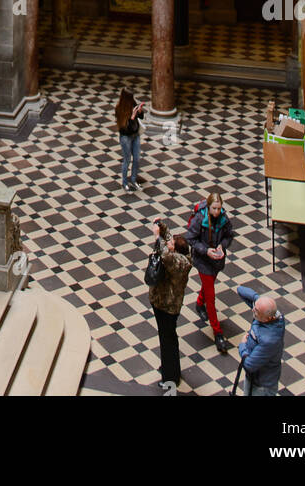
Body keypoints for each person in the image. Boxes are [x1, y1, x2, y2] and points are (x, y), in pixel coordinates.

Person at [187, 187, 234, 353]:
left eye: (219, 208)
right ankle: (217, 332)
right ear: (208, 207)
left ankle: (199, 303)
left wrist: (222, 245)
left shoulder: (223, 219)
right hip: (204, 262)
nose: (217, 211)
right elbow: (190, 238)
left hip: (217, 261)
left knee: (208, 288)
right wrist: (205, 250)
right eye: (214, 208)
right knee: (211, 297)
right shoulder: (200, 219)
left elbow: (230, 235)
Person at [147, 220, 192, 390]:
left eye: (172, 243)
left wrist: (158, 237)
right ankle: (170, 368)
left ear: (176, 250)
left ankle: (170, 378)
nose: (169, 243)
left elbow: (165, 254)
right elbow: (167, 242)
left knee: (167, 340)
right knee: (167, 337)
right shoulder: (180, 257)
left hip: (167, 306)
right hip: (163, 303)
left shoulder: (178, 263)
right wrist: (162, 227)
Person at [236, 285, 286, 395]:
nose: (253, 310)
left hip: (262, 386)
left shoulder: (269, 340)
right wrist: (257, 299)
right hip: (254, 378)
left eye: (256, 311)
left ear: (267, 319)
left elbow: (249, 364)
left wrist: (243, 345)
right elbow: (240, 290)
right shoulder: (267, 314)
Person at [115, 87, 145, 191]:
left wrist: (140, 111)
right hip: (126, 137)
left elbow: (140, 117)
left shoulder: (133, 103)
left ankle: (133, 179)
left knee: (136, 159)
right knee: (127, 160)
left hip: (135, 135)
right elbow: (124, 128)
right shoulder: (119, 109)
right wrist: (132, 117)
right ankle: (124, 182)